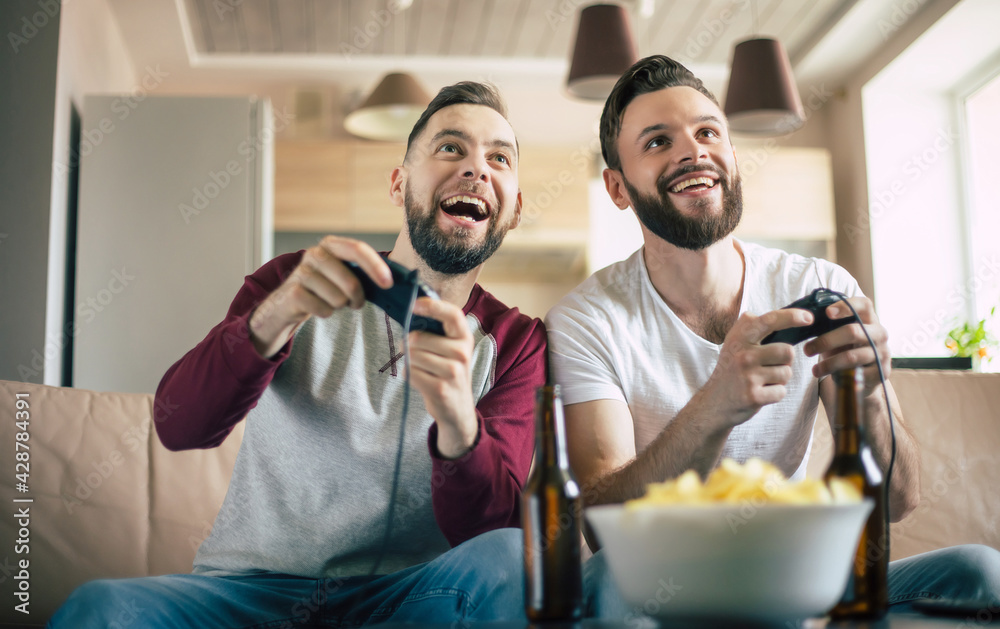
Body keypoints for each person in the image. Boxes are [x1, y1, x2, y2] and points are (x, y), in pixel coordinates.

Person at [50, 81, 547, 627]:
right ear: (399, 182)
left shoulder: (519, 342)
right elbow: (180, 426)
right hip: (248, 594)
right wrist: (277, 316)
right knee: (100, 609)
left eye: (499, 157)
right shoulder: (292, 280)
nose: (477, 168)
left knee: (506, 558)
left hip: (407, 604)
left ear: (515, 209)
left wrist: (457, 423)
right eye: (451, 148)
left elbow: (491, 531)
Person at [545, 55, 1000, 618]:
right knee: (608, 583)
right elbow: (601, 528)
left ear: (732, 157)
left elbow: (898, 500)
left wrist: (874, 390)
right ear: (617, 187)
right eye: (659, 142)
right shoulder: (586, 319)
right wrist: (717, 405)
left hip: (789, 570)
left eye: (708, 132)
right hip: (659, 586)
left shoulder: (817, 285)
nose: (693, 150)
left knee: (980, 571)